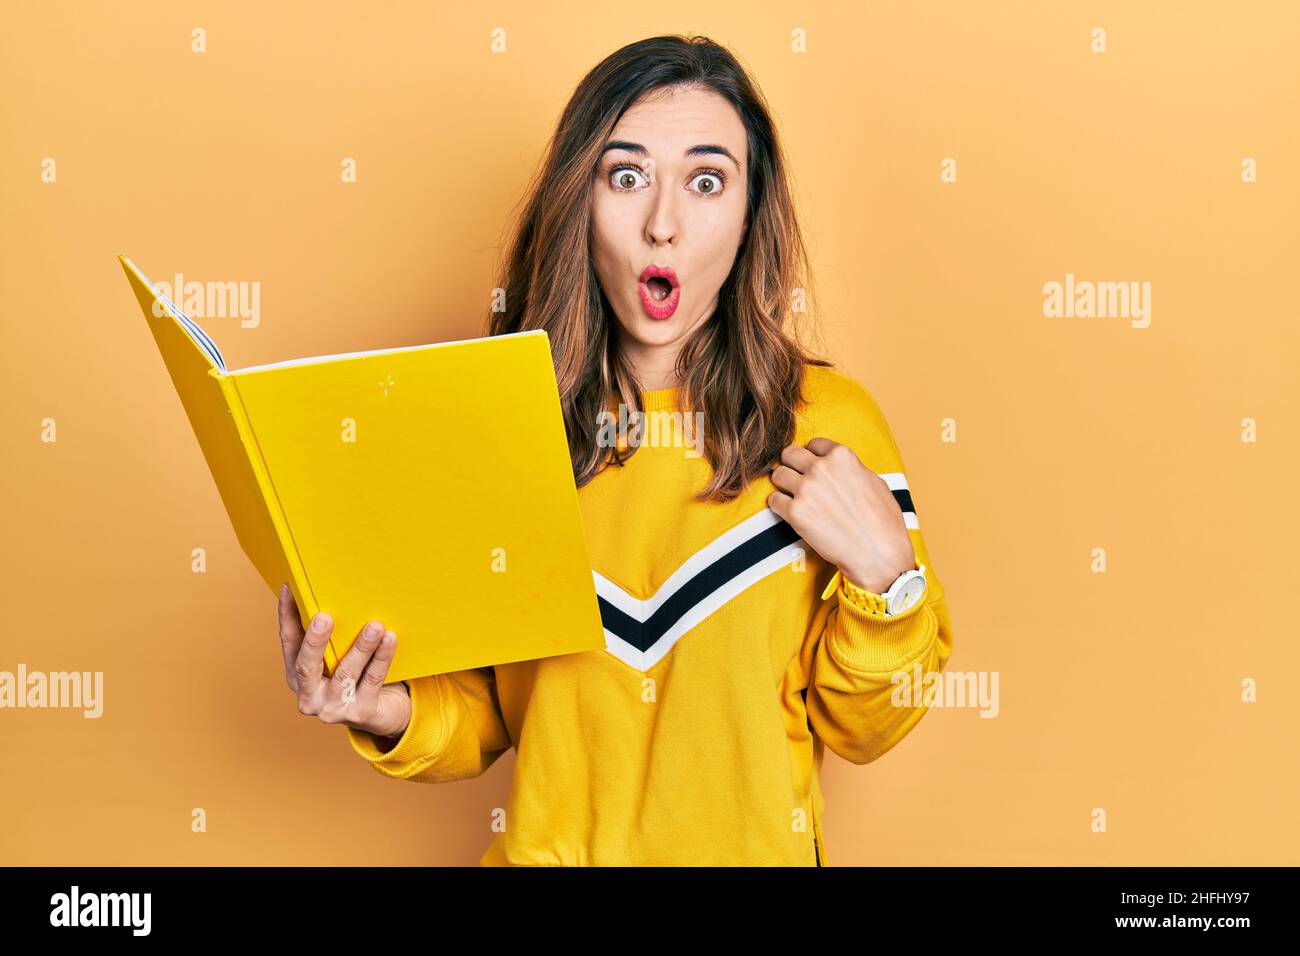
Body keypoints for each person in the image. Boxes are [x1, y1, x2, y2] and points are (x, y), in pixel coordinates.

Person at [276, 34, 955, 866]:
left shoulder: (829, 424)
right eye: (625, 176)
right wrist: (384, 708)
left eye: (707, 182)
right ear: (579, 201)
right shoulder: (496, 424)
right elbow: (489, 715)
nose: (662, 225)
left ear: (749, 217)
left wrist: (890, 580)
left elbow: (866, 728)